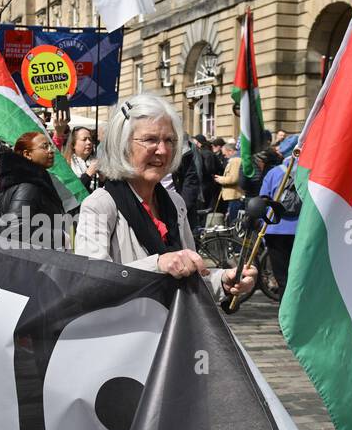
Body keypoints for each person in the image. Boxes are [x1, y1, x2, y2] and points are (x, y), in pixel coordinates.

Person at [74, 93, 256, 301]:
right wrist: (157, 264)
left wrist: (223, 280)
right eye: (150, 139)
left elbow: (188, 278)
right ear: (122, 145)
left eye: (169, 140)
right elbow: (92, 283)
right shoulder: (99, 204)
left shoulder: (174, 202)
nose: (162, 150)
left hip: (173, 330)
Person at [0, 132, 67, 249]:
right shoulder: (27, 187)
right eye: (45, 147)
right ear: (27, 154)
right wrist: (59, 237)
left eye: (51, 146)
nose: (51, 150)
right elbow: (16, 232)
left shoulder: (37, 181)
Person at [258, 147, 300, 302]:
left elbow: (262, 201)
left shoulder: (273, 173)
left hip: (275, 230)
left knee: (282, 279)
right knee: (300, 278)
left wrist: (263, 228)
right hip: (301, 230)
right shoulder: (309, 174)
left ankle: (285, 322)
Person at [63, 126, 102, 194]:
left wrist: (103, 178)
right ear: (73, 144)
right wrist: (88, 174)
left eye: (90, 139)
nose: (89, 142)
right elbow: (73, 191)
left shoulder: (96, 161)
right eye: (84, 139)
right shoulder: (67, 164)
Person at [214, 141, 245, 223]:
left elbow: (234, 179)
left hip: (235, 196)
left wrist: (220, 179)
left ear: (230, 151)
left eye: (225, 154)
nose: (225, 157)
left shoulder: (235, 160)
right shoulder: (235, 159)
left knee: (233, 221)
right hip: (234, 195)